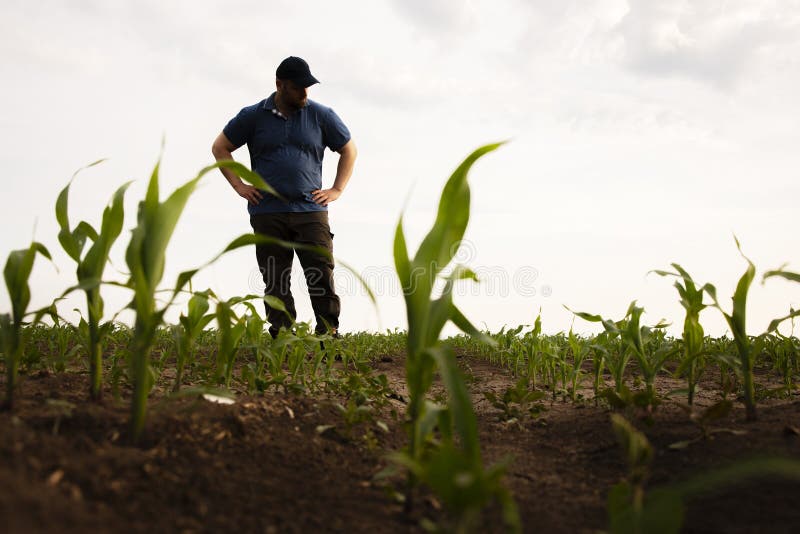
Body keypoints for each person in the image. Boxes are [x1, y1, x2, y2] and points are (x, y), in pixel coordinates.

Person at [212, 56, 357, 338]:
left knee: (320, 273)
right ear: (280, 85)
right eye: (299, 87)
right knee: (275, 278)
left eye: (308, 87)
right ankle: (282, 335)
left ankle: (328, 333)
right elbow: (220, 148)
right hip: (267, 211)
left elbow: (348, 150)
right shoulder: (252, 116)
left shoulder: (321, 115)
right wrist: (239, 186)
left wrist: (337, 189)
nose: (305, 93)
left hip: (310, 210)